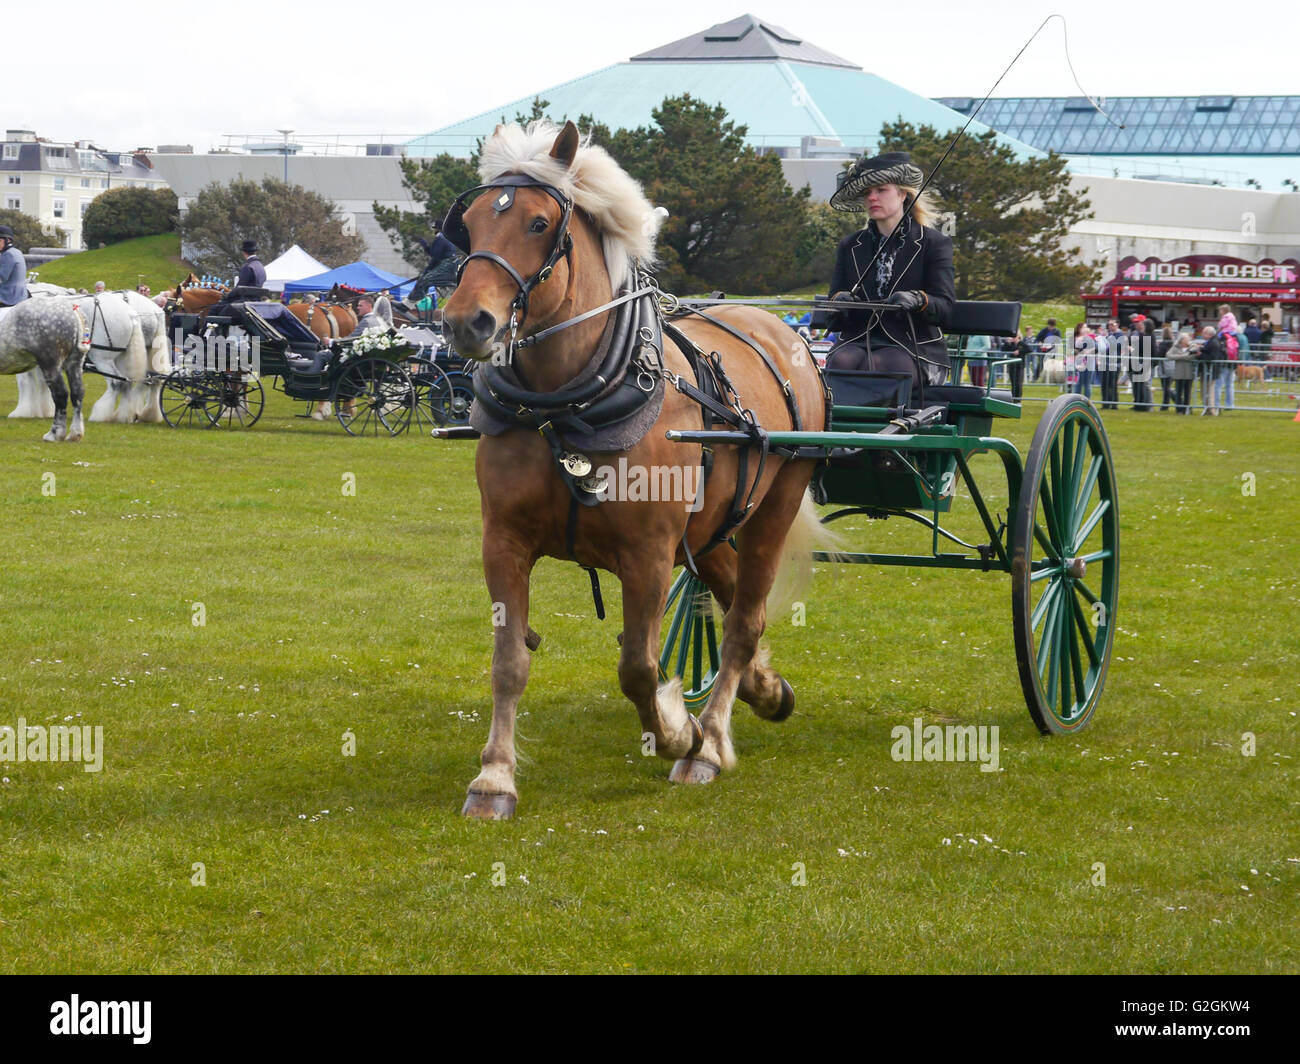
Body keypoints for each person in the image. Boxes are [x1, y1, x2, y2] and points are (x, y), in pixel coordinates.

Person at [823, 150, 955, 401]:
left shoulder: (933, 244)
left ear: (903, 194)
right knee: (841, 359)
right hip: (858, 341)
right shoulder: (851, 246)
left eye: (881, 190)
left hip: (916, 349)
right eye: (867, 193)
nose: (872, 197)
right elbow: (833, 312)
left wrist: (919, 300)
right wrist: (840, 303)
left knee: (884, 363)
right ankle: (838, 434)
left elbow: (946, 308)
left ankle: (870, 437)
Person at [410, 226, 463, 306]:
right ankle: (411, 302)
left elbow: (435, 257)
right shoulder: (445, 238)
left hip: (447, 266)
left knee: (425, 280)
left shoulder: (440, 238)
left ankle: (410, 304)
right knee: (424, 279)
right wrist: (424, 244)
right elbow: (433, 253)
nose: (433, 230)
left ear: (437, 229)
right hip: (449, 265)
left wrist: (427, 271)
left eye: (434, 228)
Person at [1197, 325, 1224, 415]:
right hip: (1208, 371)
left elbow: (1212, 357)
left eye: (1204, 333)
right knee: (1205, 391)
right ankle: (1208, 408)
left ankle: (1211, 410)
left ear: (1209, 334)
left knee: (1209, 391)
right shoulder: (1212, 342)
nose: (1202, 334)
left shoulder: (1214, 343)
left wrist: (1200, 354)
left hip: (1210, 371)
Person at [1168, 331, 1197, 414]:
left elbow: (1192, 356)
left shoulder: (1192, 346)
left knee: (1187, 393)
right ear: (1181, 340)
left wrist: (1180, 357)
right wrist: (1182, 356)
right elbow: (1169, 355)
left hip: (1188, 373)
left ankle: (1186, 409)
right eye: (1186, 339)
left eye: (1188, 338)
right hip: (1178, 373)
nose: (1188, 340)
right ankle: (1179, 409)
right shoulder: (1175, 347)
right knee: (1178, 392)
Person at [0, 225, 28, 308]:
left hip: (10, 295)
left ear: (7, 240)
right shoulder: (17, 252)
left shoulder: (8, 254)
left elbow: (2, 277)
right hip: (20, 293)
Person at [1156, 324, 1175, 411]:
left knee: (1166, 388)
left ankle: (1175, 401)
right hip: (1173, 366)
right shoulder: (1174, 343)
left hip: (1165, 367)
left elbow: (1159, 355)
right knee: (1167, 387)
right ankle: (1166, 404)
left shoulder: (1163, 344)